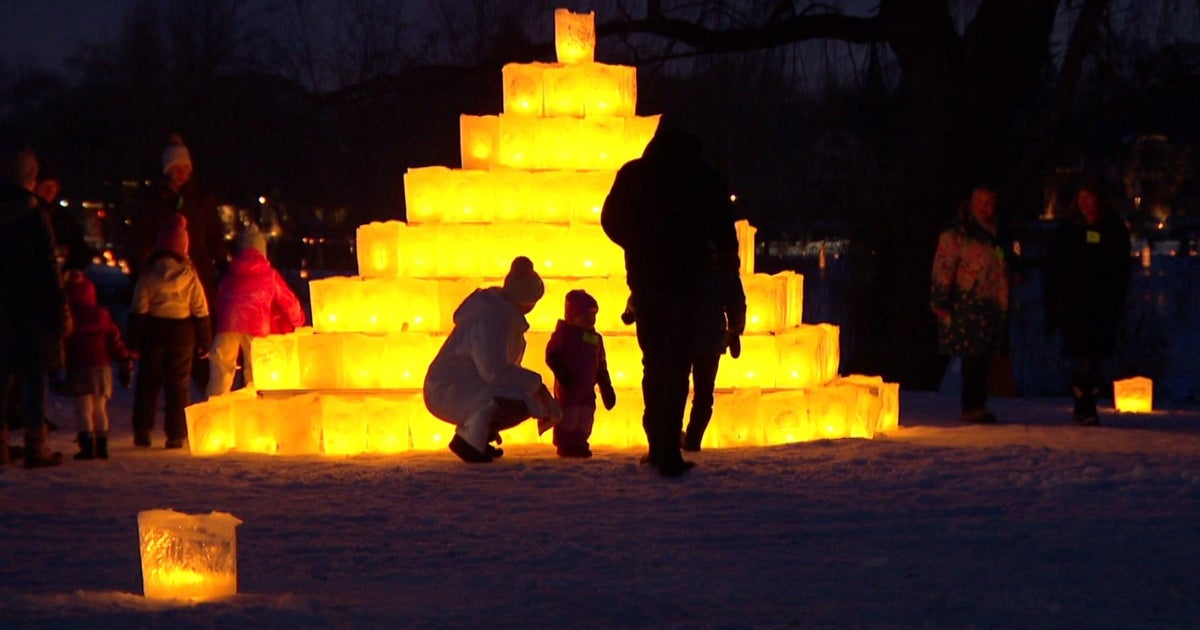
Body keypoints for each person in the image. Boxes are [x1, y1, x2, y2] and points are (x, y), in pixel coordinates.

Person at [601, 120, 742, 477]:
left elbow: (610, 220)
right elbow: (725, 232)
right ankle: (668, 448)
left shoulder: (635, 175)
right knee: (678, 365)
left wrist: (638, 243)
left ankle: (657, 444)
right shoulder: (703, 177)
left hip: (648, 283)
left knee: (654, 364)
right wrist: (724, 264)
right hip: (688, 282)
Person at [423, 256, 561, 463]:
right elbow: (494, 371)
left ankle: (479, 436)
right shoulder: (492, 320)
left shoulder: (503, 318)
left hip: (466, 385)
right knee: (517, 401)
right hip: (448, 389)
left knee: (519, 396)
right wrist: (535, 383)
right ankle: (469, 441)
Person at [133, 134, 227, 394]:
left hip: (199, 274)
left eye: (185, 168)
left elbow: (213, 235)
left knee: (201, 328)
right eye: (177, 168)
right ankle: (172, 389)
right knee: (172, 331)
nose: (182, 173)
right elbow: (144, 237)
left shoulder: (201, 200)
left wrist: (223, 264)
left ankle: (205, 385)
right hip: (165, 277)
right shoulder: (155, 202)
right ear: (167, 170)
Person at [0, 146, 68, 468]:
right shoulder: (33, 214)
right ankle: (35, 446)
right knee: (34, 376)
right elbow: (47, 267)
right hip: (32, 307)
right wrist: (59, 309)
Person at [1044, 178, 1131, 426]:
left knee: (1094, 355)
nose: (1084, 204)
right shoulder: (1069, 228)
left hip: (1101, 303)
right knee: (1080, 354)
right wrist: (1054, 299)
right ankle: (1083, 405)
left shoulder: (1113, 228)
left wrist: (1117, 298)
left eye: (1089, 198)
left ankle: (1088, 404)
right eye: (1080, 199)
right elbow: (1054, 266)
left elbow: (1121, 268)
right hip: (1073, 303)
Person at [128, 213, 212, 449]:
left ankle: (142, 431)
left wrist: (133, 342)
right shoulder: (190, 276)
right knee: (178, 385)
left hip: (153, 333)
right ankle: (176, 434)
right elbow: (200, 309)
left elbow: (138, 309)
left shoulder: (147, 275)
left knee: (148, 384)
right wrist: (205, 341)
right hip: (182, 334)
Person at [930, 185, 1010, 424]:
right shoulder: (958, 233)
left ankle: (978, 403)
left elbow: (1002, 261)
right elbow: (944, 266)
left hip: (991, 302)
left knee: (983, 354)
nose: (986, 207)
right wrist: (940, 298)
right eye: (981, 202)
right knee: (972, 355)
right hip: (966, 300)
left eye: (990, 202)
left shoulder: (996, 232)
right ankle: (971, 405)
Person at [207, 224, 306, 397]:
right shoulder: (269, 274)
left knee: (221, 367)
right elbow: (288, 301)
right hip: (256, 327)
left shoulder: (230, 274)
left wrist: (219, 321)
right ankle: (254, 405)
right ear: (262, 251)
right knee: (255, 369)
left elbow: (219, 299)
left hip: (228, 325)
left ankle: (214, 406)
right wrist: (299, 320)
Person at [62, 271, 134, 460]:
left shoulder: (69, 319)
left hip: (79, 367)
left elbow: (63, 343)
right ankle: (102, 444)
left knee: (83, 407)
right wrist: (124, 357)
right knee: (100, 406)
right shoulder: (103, 316)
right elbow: (115, 339)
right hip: (102, 368)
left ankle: (87, 446)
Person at [545, 289, 616, 458]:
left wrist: (606, 386)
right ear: (572, 316)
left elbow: (601, 364)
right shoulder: (564, 334)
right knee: (568, 417)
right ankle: (565, 444)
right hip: (568, 389)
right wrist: (561, 372)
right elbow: (551, 355)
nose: (590, 320)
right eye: (585, 316)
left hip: (587, 389)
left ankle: (580, 443)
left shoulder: (594, 338)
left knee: (585, 417)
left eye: (593, 316)